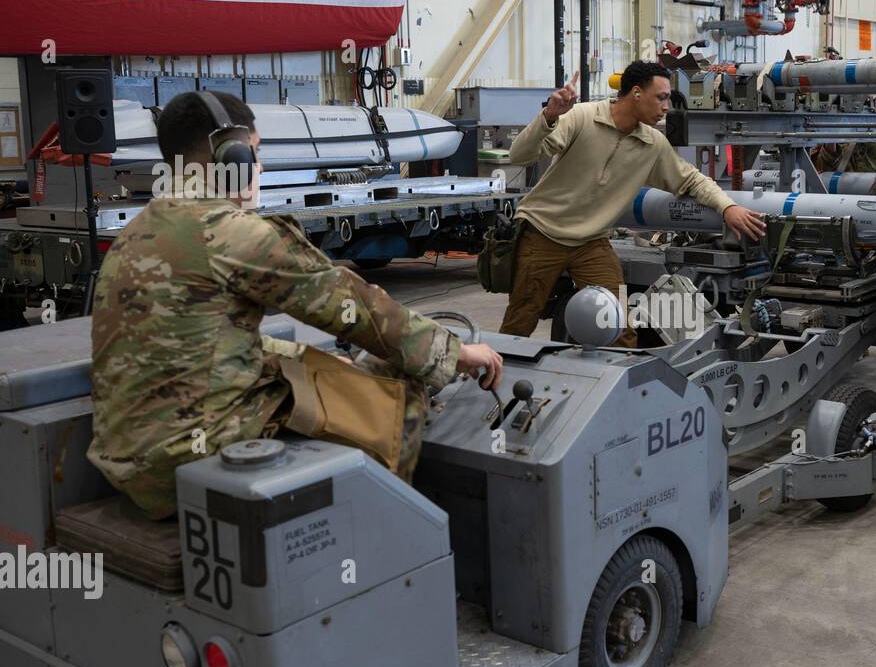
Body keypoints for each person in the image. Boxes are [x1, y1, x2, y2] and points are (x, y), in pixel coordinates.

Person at [87, 90, 503, 519]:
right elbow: (352, 305)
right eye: (255, 154)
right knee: (396, 396)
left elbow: (199, 342)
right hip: (187, 459)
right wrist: (453, 352)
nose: (260, 167)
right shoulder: (228, 232)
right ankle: (389, 538)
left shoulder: (139, 230)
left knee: (305, 361)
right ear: (232, 160)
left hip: (132, 459)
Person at [502, 60, 767, 346]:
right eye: (661, 97)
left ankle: (621, 381)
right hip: (543, 232)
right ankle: (498, 373)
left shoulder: (652, 143)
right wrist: (549, 116)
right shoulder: (582, 117)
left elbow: (691, 180)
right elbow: (520, 154)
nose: (666, 106)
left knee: (617, 323)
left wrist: (728, 207)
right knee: (521, 319)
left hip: (591, 242)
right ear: (637, 93)